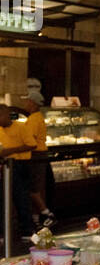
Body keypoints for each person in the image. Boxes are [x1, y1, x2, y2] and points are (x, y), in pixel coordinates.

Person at [0, 103, 35, 244]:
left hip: (19, 166)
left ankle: (27, 230)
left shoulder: (21, 127)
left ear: (5, 115)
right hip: (5, 166)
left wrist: (10, 151)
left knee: (21, 198)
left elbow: (32, 144)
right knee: (3, 199)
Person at [17, 95, 52, 225]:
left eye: (27, 101)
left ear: (33, 103)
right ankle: (36, 218)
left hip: (35, 155)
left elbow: (30, 140)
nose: (25, 104)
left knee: (33, 188)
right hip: (40, 154)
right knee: (38, 187)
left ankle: (47, 214)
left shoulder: (33, 119)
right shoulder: (37, 117)